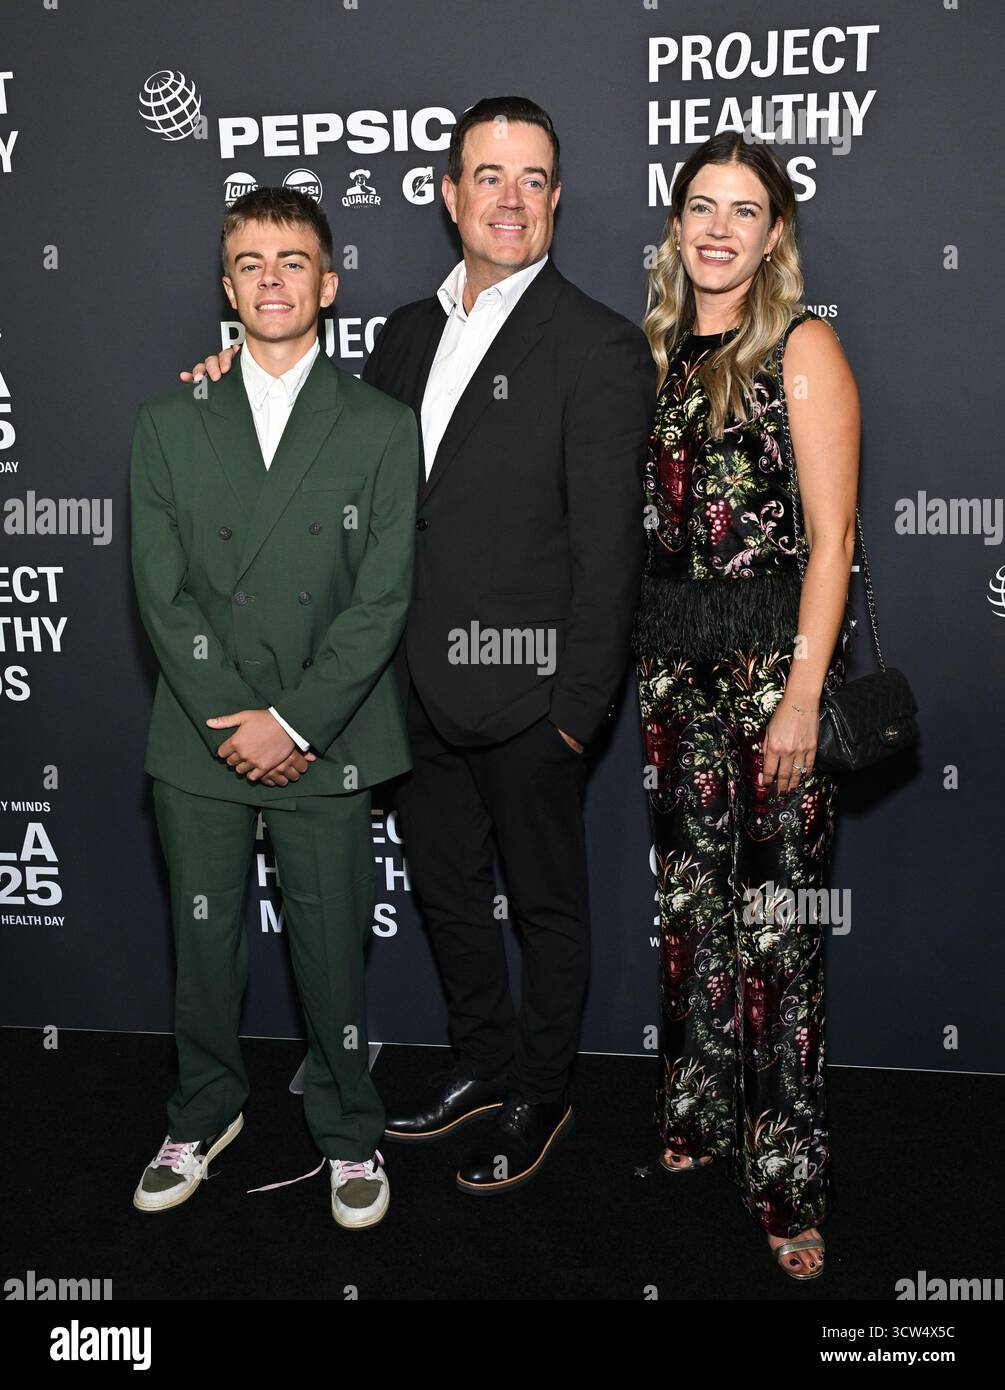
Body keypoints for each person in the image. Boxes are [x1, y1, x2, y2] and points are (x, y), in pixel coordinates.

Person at [183, 96, 655, 1194]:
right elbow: (315, 435)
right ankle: (484, 1061)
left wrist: (577, 710)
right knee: (447, 893)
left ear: (555, 201)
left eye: (533, 179)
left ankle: (542, 1089)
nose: (510, 199)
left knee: (546, 906)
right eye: (488, 176)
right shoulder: (402, 332)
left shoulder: (596, 346)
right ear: (449, 195)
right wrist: (219, 387)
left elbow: (609, 554)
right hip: (409, 694)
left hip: (536, 701)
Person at [130, 186, 418, 1229]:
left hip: (325, 735)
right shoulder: (169, 421)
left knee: (333, 948)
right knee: (204, 950)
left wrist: (292, 723)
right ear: (226, 287)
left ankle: (349, 1129)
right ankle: (203, 1110)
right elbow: (159, 593)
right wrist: (237, 719)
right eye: (250, 263)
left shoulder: (382, 426)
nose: (271, 280)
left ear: (329, 282)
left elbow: (384, 596)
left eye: (292, 261)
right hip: (202, 734)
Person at [633, 132, 859, 1279]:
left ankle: (788, 1183)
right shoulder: (658, 347)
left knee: (779, 936)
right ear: (678, 226)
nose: (719, 227)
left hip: (776, 676)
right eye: (701, 207)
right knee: (691, 915)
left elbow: (834, 541)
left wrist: (804, 696)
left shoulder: (803, 347)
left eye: (745, 210)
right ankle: (699, 1117)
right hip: (671, 674)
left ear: (775, 235)